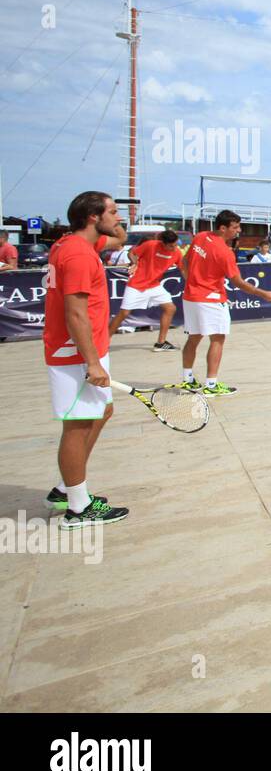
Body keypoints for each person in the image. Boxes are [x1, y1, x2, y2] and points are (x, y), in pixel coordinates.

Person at [42, 191, 129, 528]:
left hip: (83, 350)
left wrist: (114, 228)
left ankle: (67, 488)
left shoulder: (72, 244)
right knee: (77, 426)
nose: (118, 217)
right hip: (76, 353)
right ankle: (77, 507)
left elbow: (120, 238)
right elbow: (75, 312)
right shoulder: (79, 254)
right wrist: (92, 362)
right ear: (93, 216)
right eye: (112, 211)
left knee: (102, 411)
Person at [180, 210, 271, 397]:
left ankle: (187, 380)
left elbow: (183, 262)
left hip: (190, 297)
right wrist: (264, 293)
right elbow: (238, 283)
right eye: (235, 227)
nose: (239, 230)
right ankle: (211, 385)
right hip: (210, 300)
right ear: (222, 228)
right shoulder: (225, 253)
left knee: (193, 338)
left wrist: (191, 283)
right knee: (217, 339)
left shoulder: (200, 237)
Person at [108, 229, 183, 350]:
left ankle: (161, 343)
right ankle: (105, 340)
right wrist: (135, 263)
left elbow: (183, 268)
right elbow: (131, 253)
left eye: (175, 244)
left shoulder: (177, 253)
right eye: (171, 246)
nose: (174, 248)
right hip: (136, 284)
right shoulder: (151, 245)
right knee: (124, 313)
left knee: (170, 308)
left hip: (154, 285)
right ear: (162, 243)